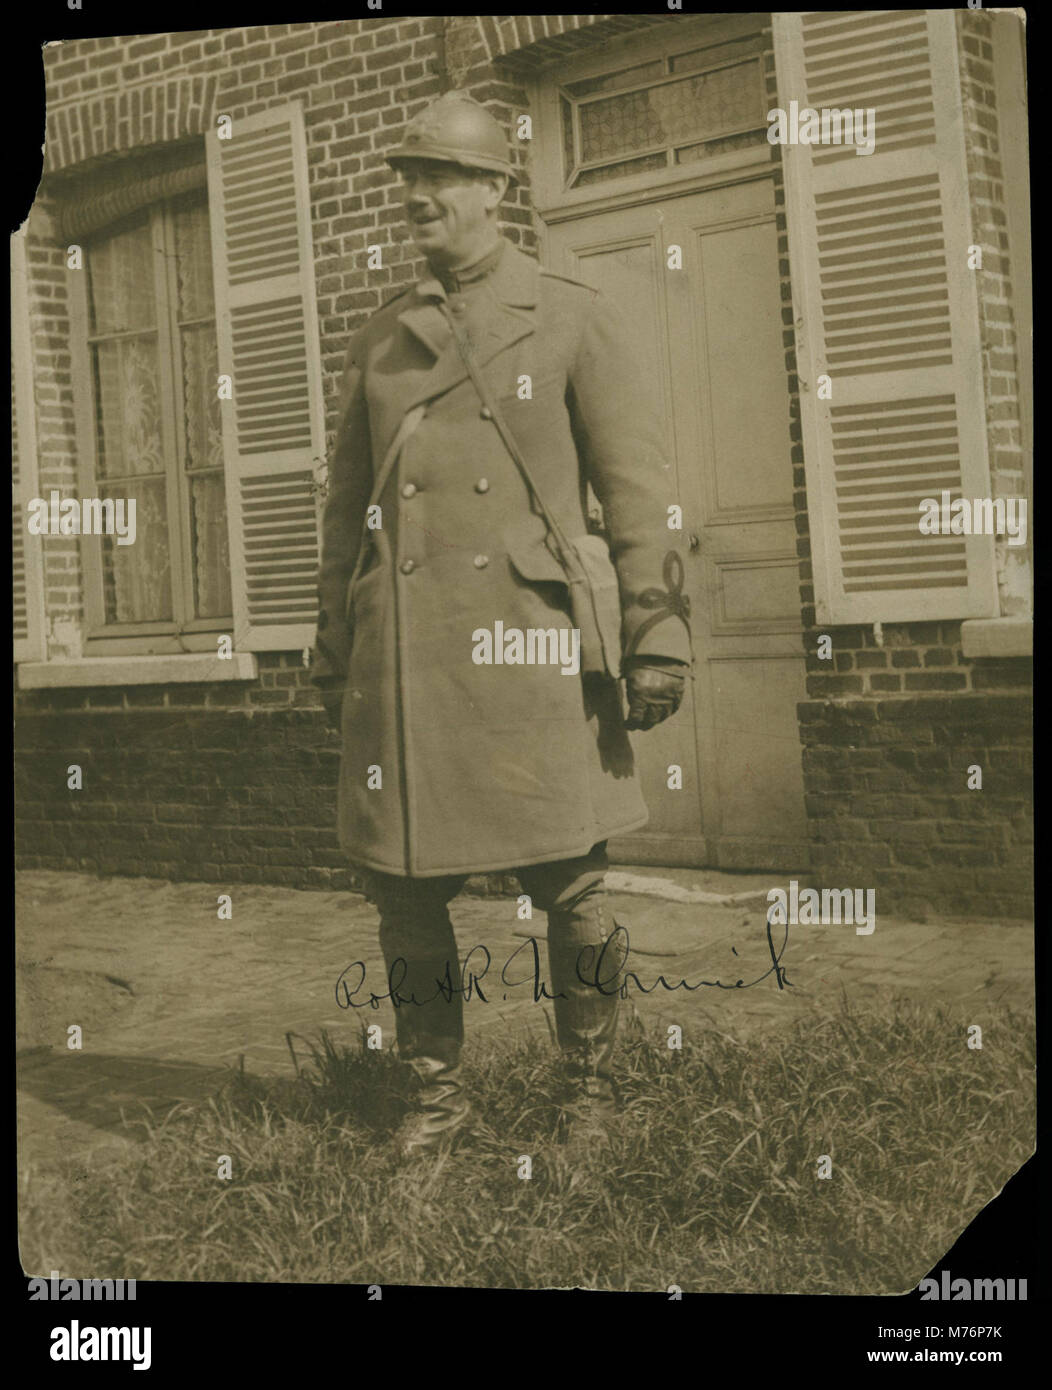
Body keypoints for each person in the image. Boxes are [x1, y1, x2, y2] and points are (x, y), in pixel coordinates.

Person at [311, 91, 691, 1156]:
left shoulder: (569, 307)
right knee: (402, 890)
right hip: (402, 659)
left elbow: (638, 488)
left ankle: (591, 1093)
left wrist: (656, 636)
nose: (416, 196)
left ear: (491, 190)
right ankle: (433, 1103)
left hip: (527, 644)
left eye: (438, 177)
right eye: (407, 178)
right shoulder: (386, 333)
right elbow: (350, 502)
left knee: (569, 880)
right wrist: (333, 635)